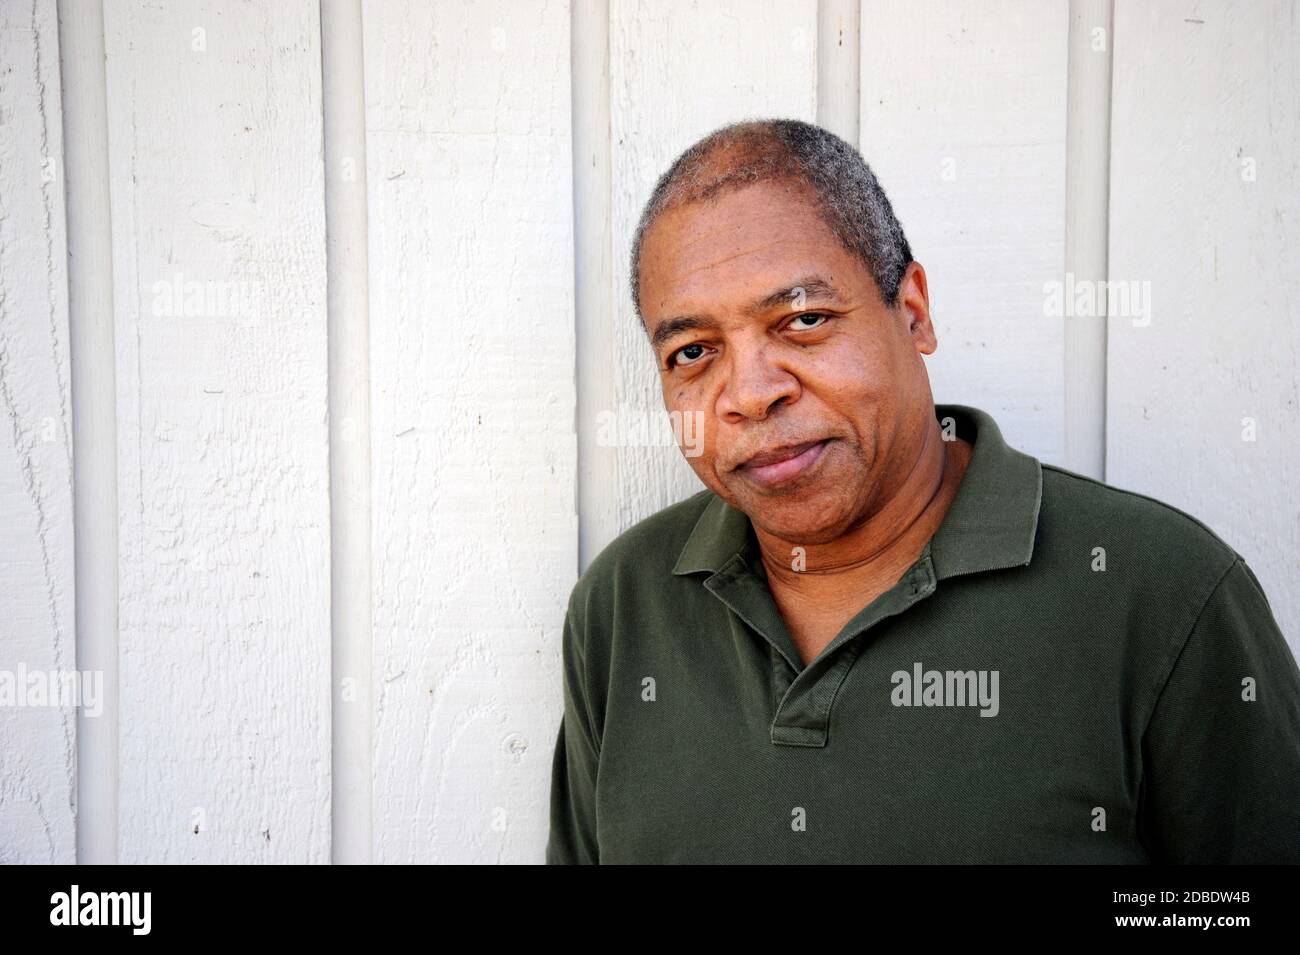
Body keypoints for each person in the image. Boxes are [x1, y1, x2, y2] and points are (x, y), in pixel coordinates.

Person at [546, 118, 1300, 863]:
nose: (749, 393)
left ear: (913, 310)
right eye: (693, 352)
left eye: (804, 319)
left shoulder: (1164, 594)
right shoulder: (622, 605)